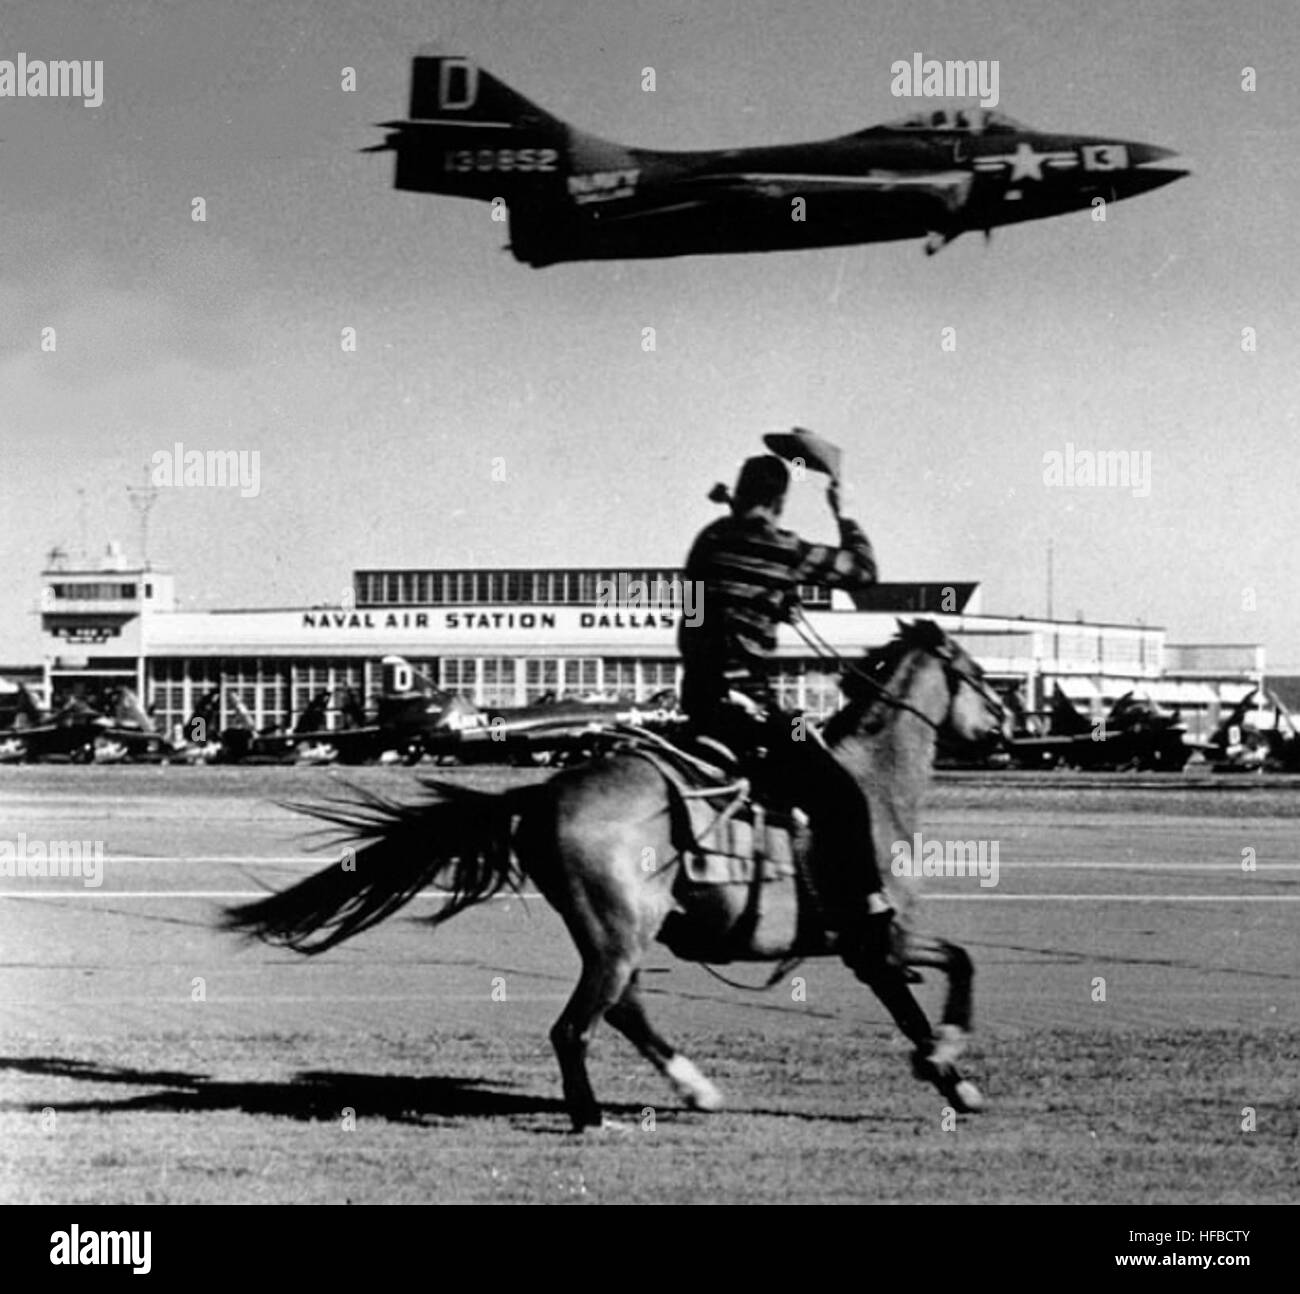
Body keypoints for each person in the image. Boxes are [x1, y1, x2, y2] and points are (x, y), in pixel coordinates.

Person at [677, 453, 896, 976]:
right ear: (779, 501)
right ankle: (865, 914)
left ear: (739, 492)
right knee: (841, 796)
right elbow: (863, 572)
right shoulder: (784, 547)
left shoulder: (707, 541)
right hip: (749, 706)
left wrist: (764, 604)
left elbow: (694, 623)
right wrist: (843, 511)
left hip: (700, 702)